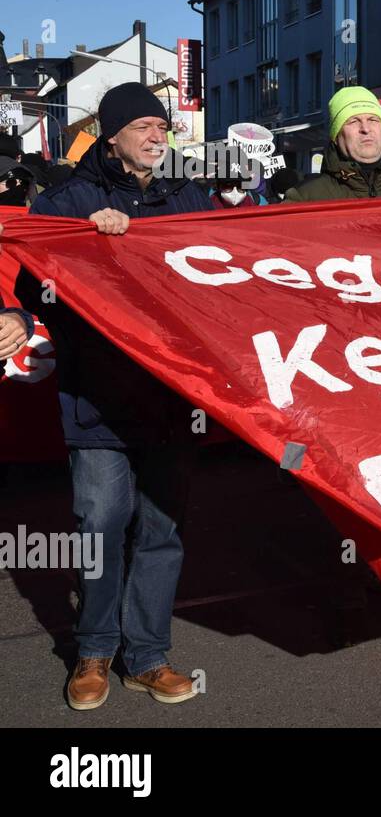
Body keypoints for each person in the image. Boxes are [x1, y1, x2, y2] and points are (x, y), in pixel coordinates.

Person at [17, 81, 213, 711]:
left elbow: (226, 267)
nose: (159, 137)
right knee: (100, 525)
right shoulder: (67, 201)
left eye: (163, 128)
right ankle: (95, 650)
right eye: (144, 128)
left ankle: (147, 657)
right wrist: (81, 251)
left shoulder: (191, 197)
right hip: (97, 397)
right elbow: (27, 281)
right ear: (112, 135)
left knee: (161, 530)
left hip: (174, 394)